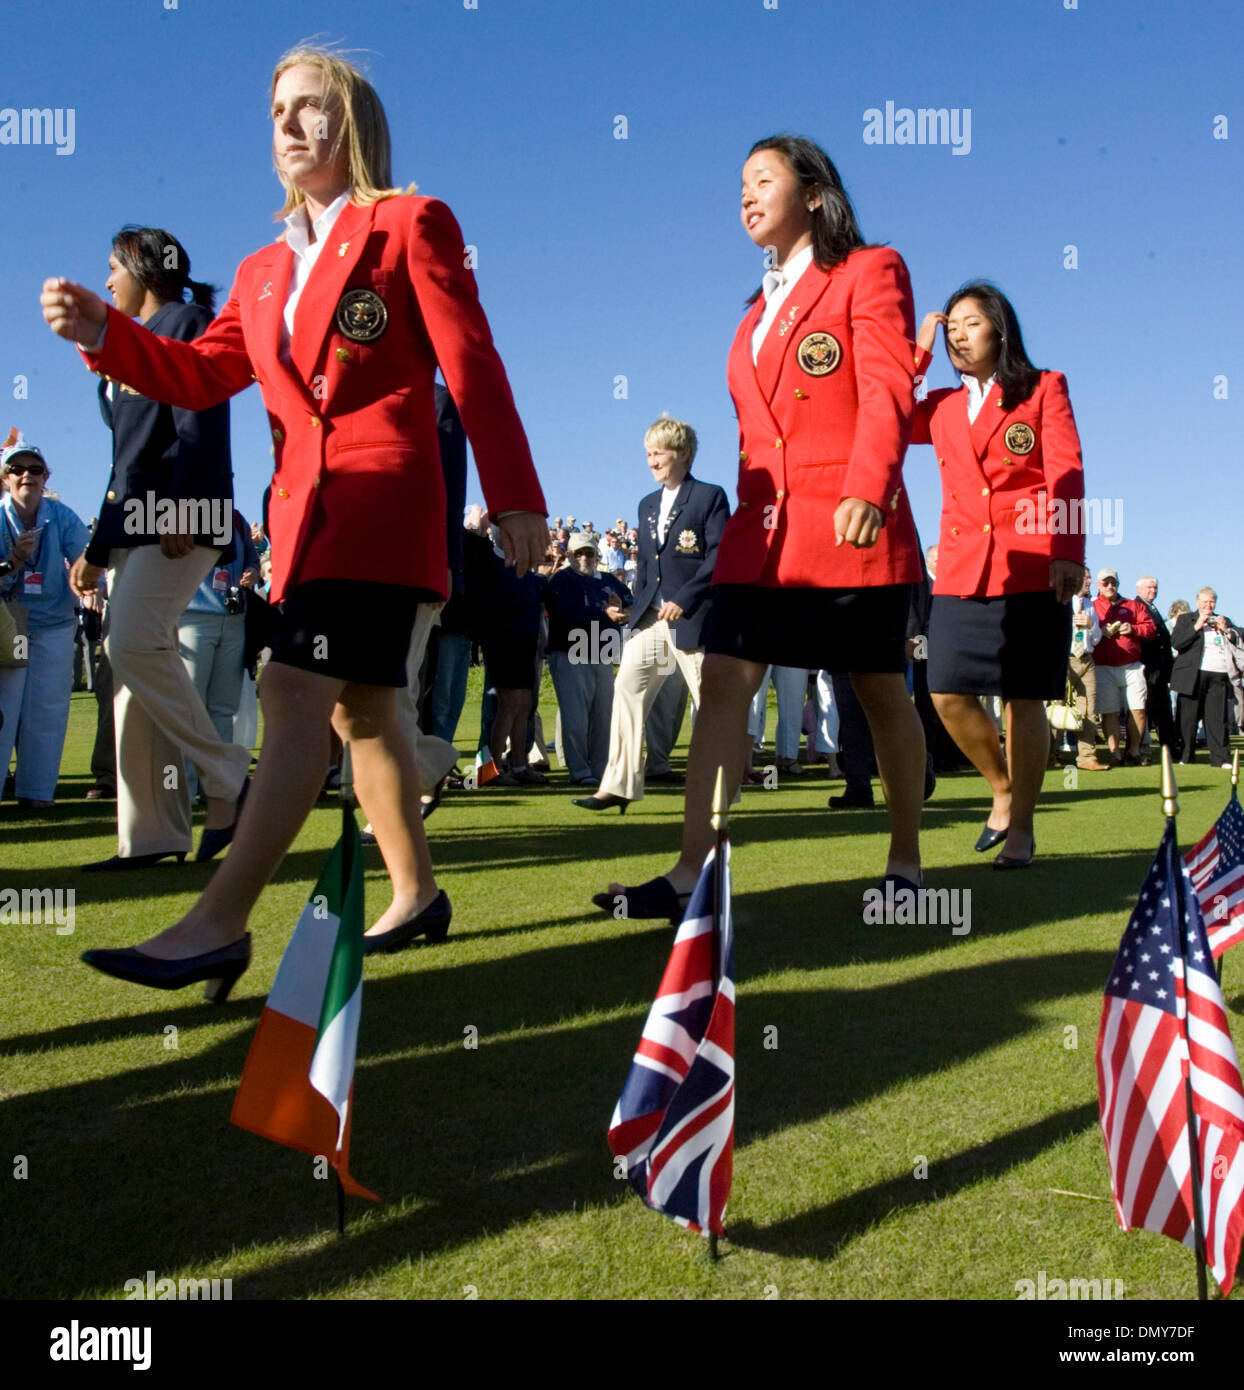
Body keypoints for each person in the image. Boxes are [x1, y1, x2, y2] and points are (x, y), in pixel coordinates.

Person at [42, 45, 546, 994]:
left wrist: (515, 493)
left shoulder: (409, 221)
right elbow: (200, 375)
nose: (287, 122)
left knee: (291, 698)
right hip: (303, 523)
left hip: (382, 508)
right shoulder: (261, 270)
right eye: (276, 108)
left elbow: (470, 360)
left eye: (309, 105)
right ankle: (418, 892)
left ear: (350, 122)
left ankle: (217, 923)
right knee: (362, 712)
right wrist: (109, 335)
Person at [597, 135, 926, 919]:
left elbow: (886, 390)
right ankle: (691, 871)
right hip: (761, 535)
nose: (745, 195)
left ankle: (906, 859)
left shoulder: (869, 270)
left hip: (851, 523)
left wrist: (870, 487)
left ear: (813, 193)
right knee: (723, 686)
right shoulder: (753, 313)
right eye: (740, 183)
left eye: (764, 180)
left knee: (879, 690)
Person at [66, 225, 249, 868]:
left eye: (113, 267)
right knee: (130, 690)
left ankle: (230, 778)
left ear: (142, 268)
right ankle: (151, 837)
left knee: (132, 644)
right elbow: (127, 463)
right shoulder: (129, 343)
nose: (108, 280)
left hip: (179, 520)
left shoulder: (188, 320)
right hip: (136, 525)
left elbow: (200, 422)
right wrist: (98, 545)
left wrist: (184, 505)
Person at [912, 284, 1084, 867]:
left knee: (1023, 697)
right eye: (950, 325)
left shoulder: (1043, 388)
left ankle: (1023, 826)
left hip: (1032, 562)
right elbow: (883, 414)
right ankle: (1003, 787)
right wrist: (917, 356)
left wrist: (1068, 550)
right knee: (945, 690)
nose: (957, 334)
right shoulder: (938, 406)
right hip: (961, 567)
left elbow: (1067, 471)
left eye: (970, 323)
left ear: (1000, 330)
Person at [575, 413, 728, 813]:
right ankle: (619, 784)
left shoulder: (710, 497)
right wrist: (633, 607)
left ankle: (720, 790)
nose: (651, 460)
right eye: (647, 453)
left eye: (658, 452)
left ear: (683, 454)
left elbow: (719, 556)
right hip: (652, 621)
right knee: (627, 687)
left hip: (692, 618)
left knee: (707, 702)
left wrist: (688, 597)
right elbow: (645, 566)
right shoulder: (645, 504)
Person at [0, 441, 89, 808]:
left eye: (35, 470)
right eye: (17, 469)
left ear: (46, 477)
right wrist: (14, 561)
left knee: (47, 709)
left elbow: (85, 559)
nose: (27, 476)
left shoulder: (62, 516)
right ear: (5, 478)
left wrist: (89, 587)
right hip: (9, 623)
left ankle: (37, 793)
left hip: (53, 623)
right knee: (4, 709)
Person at [177, 508, 261, 802]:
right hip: (194, 616)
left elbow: (251, 555)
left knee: (223, 710)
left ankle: (217, 788)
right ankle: (183, 788)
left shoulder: (236, 517)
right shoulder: (183, 513)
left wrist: (253, 570)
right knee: (190, 706)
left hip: (234, 617)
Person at [544, 532, 631, 785]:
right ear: (569, 554)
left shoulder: (608, 580)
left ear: (597, 555)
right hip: (570, 651)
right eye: (578, 553)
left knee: (603, 717)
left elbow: (630, 603)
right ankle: (580, 771)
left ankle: (601, 769)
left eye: (588, 553)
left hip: (602, 653)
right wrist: (607, 614)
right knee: (575, 718)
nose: (584, 557)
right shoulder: (561, 580)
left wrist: (624, 613)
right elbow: (568, 614)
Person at [1091, 567, 1155, 765]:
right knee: (1109, 711)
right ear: (1098, 585)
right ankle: (1115, 754)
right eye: (1105, 583)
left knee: (1138, 709)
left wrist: (1133, 628)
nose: (1110, 586)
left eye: (1113, 582)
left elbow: (1151, 629)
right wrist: (1100, 632)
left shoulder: (1133, 606)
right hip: (1103, 666)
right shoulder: (1092, 606)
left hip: (1131, 665)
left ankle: (1134, 751)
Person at [1171, 588, 1240, 768]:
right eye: (1204, 601)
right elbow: (1177, 643)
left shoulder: (1222, 620)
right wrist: (1197, 626)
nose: (1208, 605)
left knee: (1217, 718)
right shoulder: (1186, 620)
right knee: (1188, 717)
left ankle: (1221, 758)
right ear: (1197, 602)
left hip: (1218, 674)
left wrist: (1227, 630)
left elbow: (1238, 637)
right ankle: (1185, 755)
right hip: (1192, 675)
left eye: (1211, 602)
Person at [1061, 565, 1110, 771]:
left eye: (1089, 578)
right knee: (1056, 706)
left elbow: (1097, 638)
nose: (1089, 582)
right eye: (1085, 578)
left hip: (1086, 659)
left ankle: (1087, 757)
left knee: (1088, 709)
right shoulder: (1061, 601)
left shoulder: (1090, 605)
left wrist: (1091, 625)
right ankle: (1048, 754)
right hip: (1064, 659)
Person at [1134, 574, 1178, 758]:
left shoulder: (1153, 608)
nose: (1153, 591)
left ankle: (1169, 747)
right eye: (1149, 588)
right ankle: (1142, 748)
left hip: (1160, 667)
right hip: (1148, 666)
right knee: (1148, 707)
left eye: (1155, 588)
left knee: (1162, 708)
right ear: (1139, 589)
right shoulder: (1138, 607)